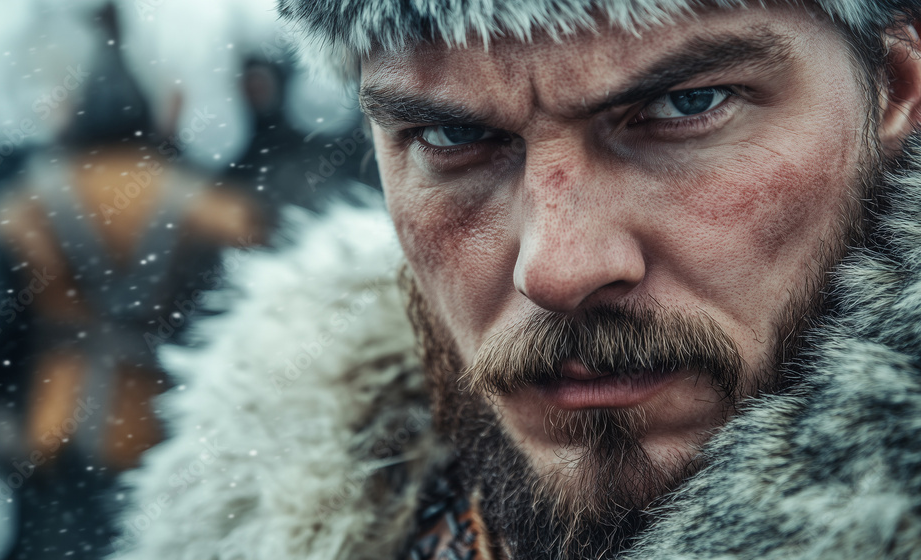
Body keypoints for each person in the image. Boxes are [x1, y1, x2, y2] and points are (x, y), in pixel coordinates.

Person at [110, 1, 921, 559]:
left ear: (895, 89)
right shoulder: (262, 505)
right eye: (452, 134)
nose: (557, 271)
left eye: (686, 105)